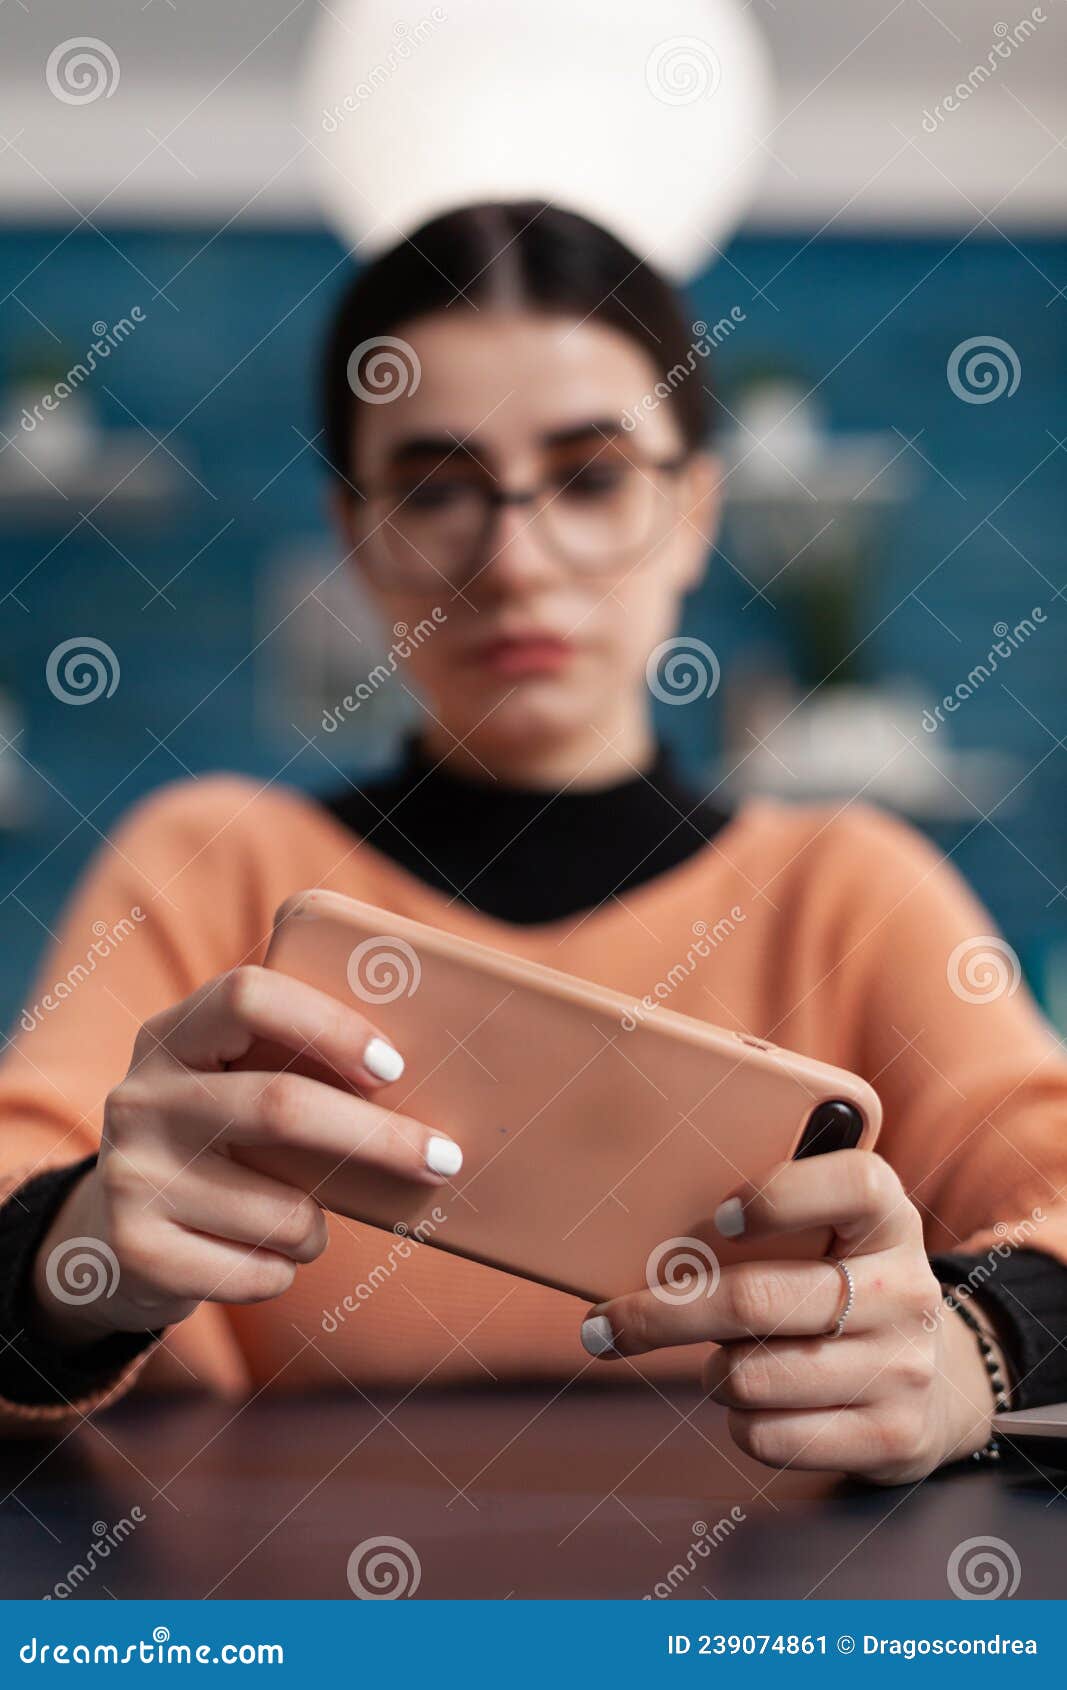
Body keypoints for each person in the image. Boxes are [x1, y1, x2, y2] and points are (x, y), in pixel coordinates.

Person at [2, 202, 1065, 1484]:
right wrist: (77, 1252)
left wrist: (973, 1349)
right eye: (435, 488)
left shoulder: (850, 890)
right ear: (355, 537)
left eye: (593, 476)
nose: (513, 558)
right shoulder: (206, 866)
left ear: (694, 511)